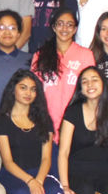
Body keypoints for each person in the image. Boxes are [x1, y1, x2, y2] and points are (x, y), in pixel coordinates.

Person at [31, 9, 95, 137]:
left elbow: (92, 91)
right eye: (60, 24)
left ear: (75, 29)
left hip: (76, 124)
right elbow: (34, 90)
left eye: (69, 24)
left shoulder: (86, 55)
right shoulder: (40, 55)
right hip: (45, 124)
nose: (64, 28)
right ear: (54, 27)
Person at [0, 10, 30, 116]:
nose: (7, 32)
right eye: (1, 28)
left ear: (19, 33)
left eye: (12, 28)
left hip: (21, 122)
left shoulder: (30, 60)